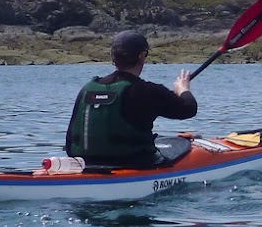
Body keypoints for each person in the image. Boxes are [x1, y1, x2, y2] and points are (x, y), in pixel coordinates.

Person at [65, 30, 197, 165]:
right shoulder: (147, 91)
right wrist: (183, 89)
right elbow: (189, 109)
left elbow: (70, 137)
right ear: (142, 56)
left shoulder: (87, 89)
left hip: (84, 162)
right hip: (133, 162)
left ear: (112, 55)